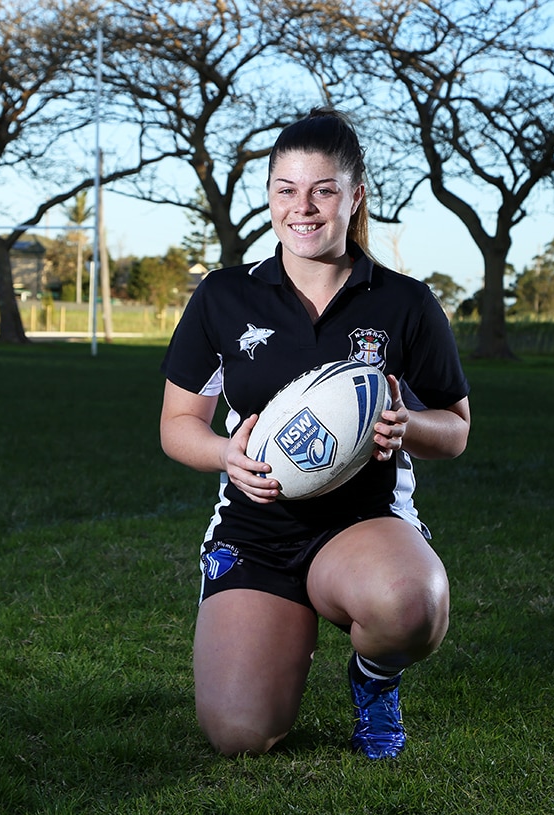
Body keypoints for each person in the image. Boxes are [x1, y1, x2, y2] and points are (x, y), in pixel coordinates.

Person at [158, 107, 471, 758]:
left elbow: (456, 429)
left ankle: (375, 677)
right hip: (257, 529)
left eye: (323, 190)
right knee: (241, 735)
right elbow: (177, 425)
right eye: (286, 189)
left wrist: (407, 425)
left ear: (355, 197)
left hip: (363, 524)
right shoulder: (224, 297)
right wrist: (225, 454)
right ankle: (273, 619)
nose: (302, 208)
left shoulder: (406, 303)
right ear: (270, 195)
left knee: (413, 606)